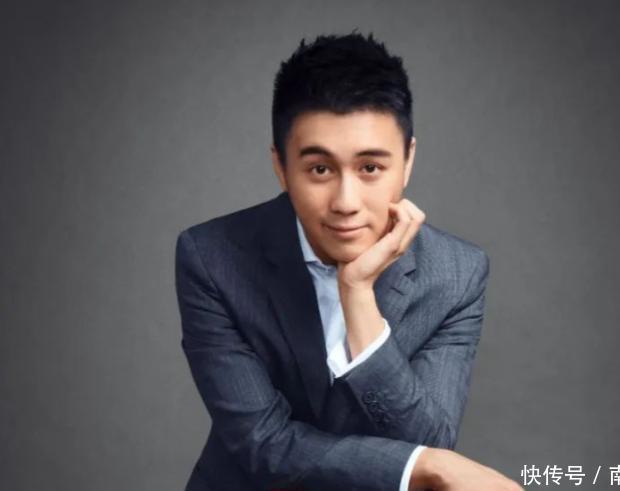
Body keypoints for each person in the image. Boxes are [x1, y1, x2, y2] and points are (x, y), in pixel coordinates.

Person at [175, 32, 522, 491]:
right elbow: (262, 444)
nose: (346, 202)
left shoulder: (456, 273)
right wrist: (427, 467)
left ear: (408, 161)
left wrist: (357, 295)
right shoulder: (213, 256)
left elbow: (427, 441)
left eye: (370, 168)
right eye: (320, 169)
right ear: (281, 167)